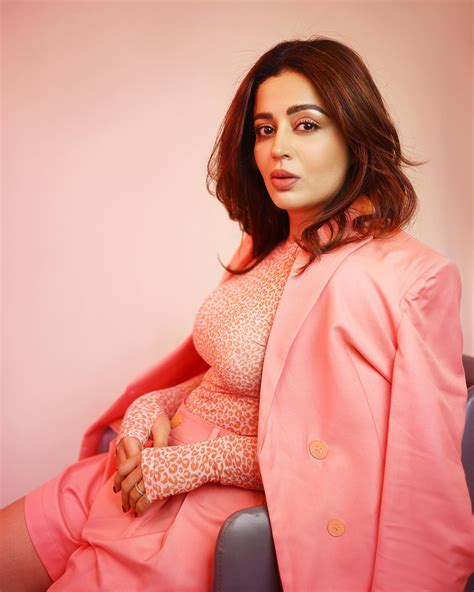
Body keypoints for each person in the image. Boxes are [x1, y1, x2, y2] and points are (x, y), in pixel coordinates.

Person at [1, 36, 473, 591]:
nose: (278, 149)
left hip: (210, 513)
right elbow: (231, 377)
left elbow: (379, 470)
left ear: (355, 136)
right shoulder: (263, 245)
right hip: (137, 471)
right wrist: (149, 411)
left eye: (306, 125)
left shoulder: (409, 279)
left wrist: (200, 462)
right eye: (265, 130)